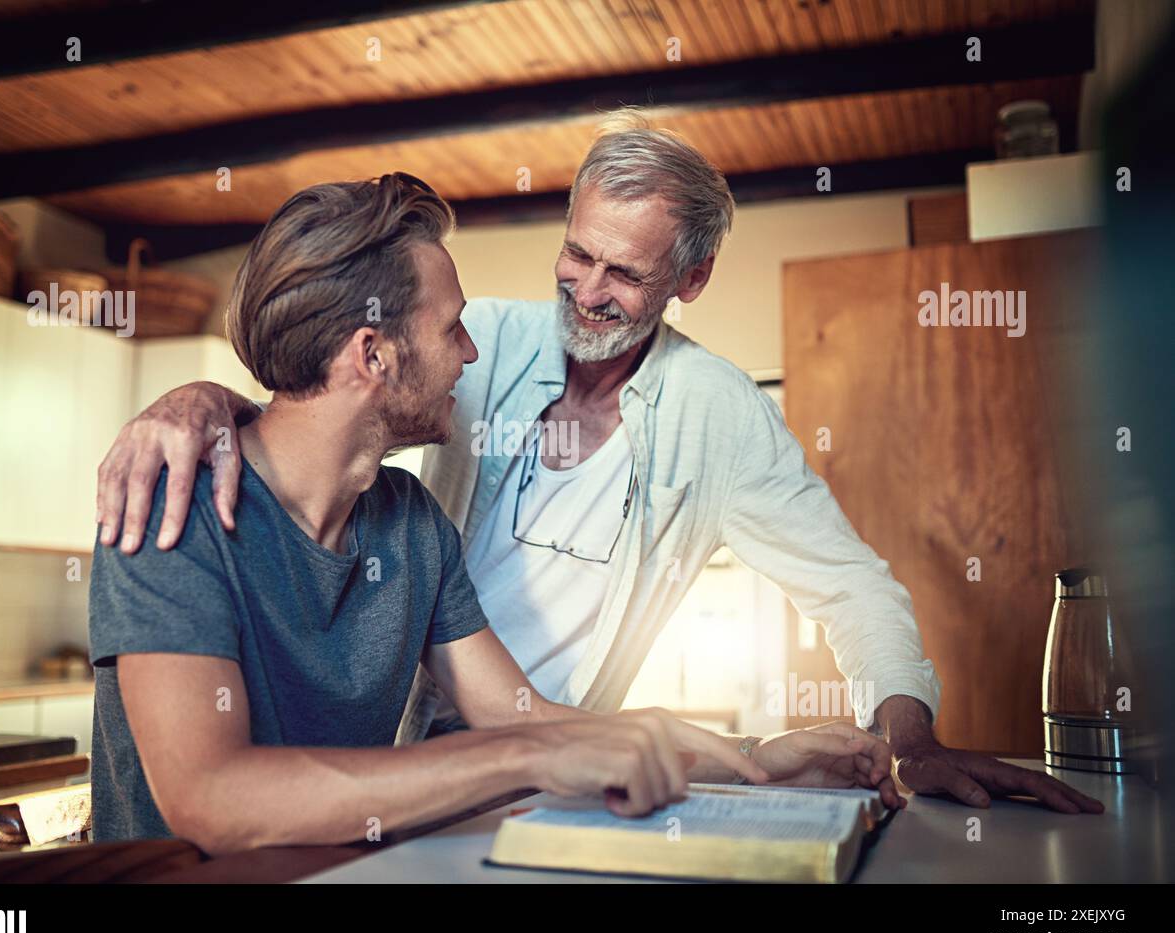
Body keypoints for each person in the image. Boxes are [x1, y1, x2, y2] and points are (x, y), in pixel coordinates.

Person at [96, 112, 1102, 816]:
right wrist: (194, 401)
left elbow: (847, 588)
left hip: (520, 784)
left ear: (690, 278)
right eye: (576, 254)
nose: (582, 292)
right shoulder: (205, 499)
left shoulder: (429, 510)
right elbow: (320, 389)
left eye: (624, 271)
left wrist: (830, 748)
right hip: (396, 793)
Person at [89, 172, 899, 851]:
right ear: (374, 354)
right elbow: (212, 795)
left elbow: (526, 716)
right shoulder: (172, 508)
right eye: (452, 329)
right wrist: (520, 757)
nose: (472, 355)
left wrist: (756, 761)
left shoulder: (409, 523)